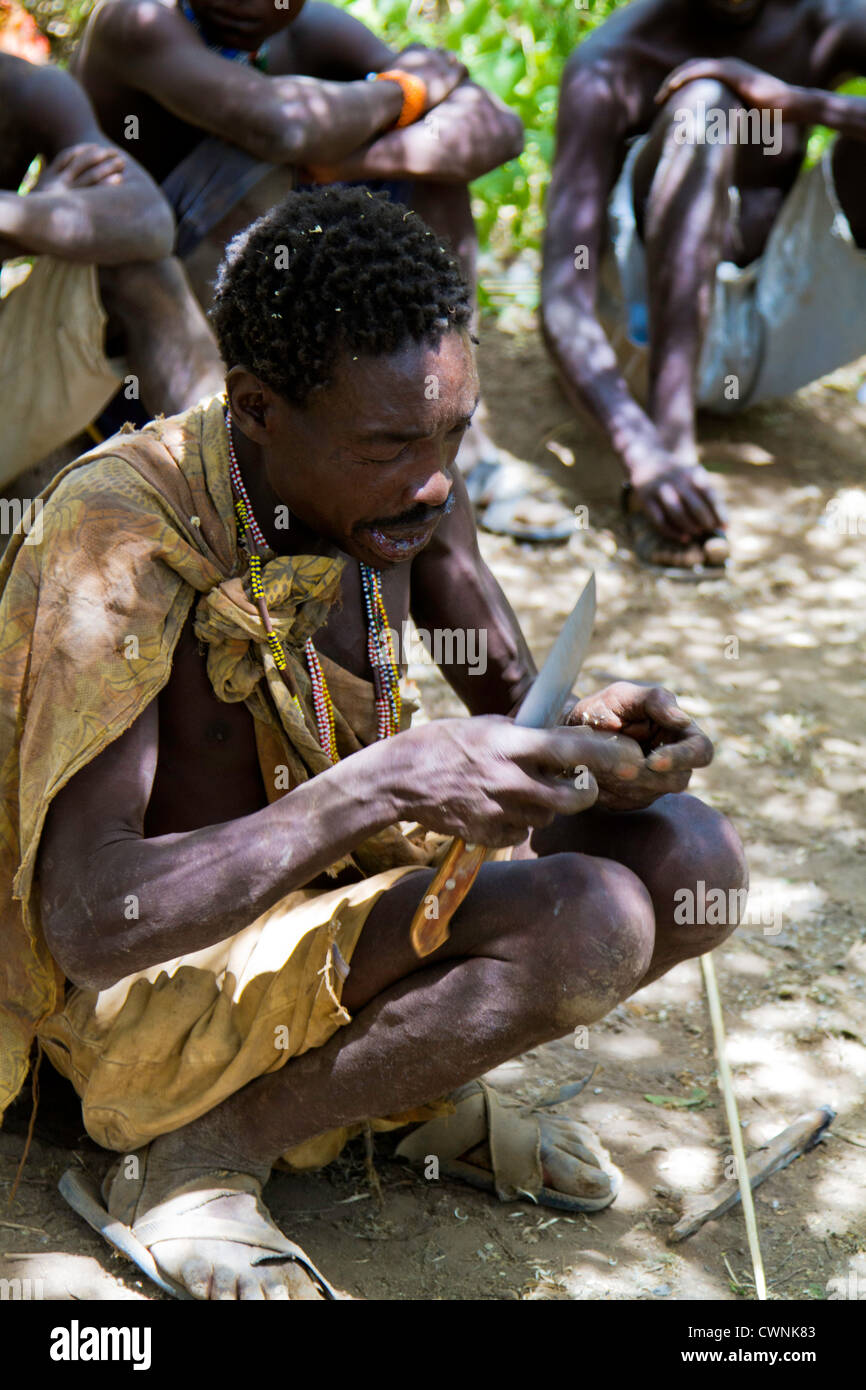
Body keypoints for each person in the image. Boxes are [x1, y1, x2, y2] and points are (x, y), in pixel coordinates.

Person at [1, 187, 747, 1300]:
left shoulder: (408, 490)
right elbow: (88, 922)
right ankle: (202, 1157)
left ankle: (380, 1100)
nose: (436, 477)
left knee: (684, 857)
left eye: (454, 432)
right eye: (392, 442)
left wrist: (595, 739)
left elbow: (517, 700)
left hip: (335, 916)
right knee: (588, 917)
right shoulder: (122, 539)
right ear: (255, 407)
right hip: (147, 994)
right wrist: (378, 783)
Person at [72, 0, 573, 541]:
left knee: (432, 178)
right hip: (140, 313)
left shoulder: (311, 32)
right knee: (261, 163)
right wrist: (404, 90)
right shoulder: (137, 22)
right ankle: (242, 472)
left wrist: (345, 161)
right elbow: (280, 128)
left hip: (274, 302)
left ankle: (457, 442)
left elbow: (495, 130)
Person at [543, 0, 866, 575]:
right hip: (643, 341)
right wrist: (642, 453)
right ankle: (674, 450)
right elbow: (563, 303)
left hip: (776, 330)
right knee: (707, 108)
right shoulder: (612, 62)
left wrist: (794, 101)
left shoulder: (826, 22)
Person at [0, 53, 224, 488]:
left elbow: (148, 222)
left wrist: (29, 212)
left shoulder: (27, 89)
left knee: (138, 271)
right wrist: (32, 217)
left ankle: (231, 497)